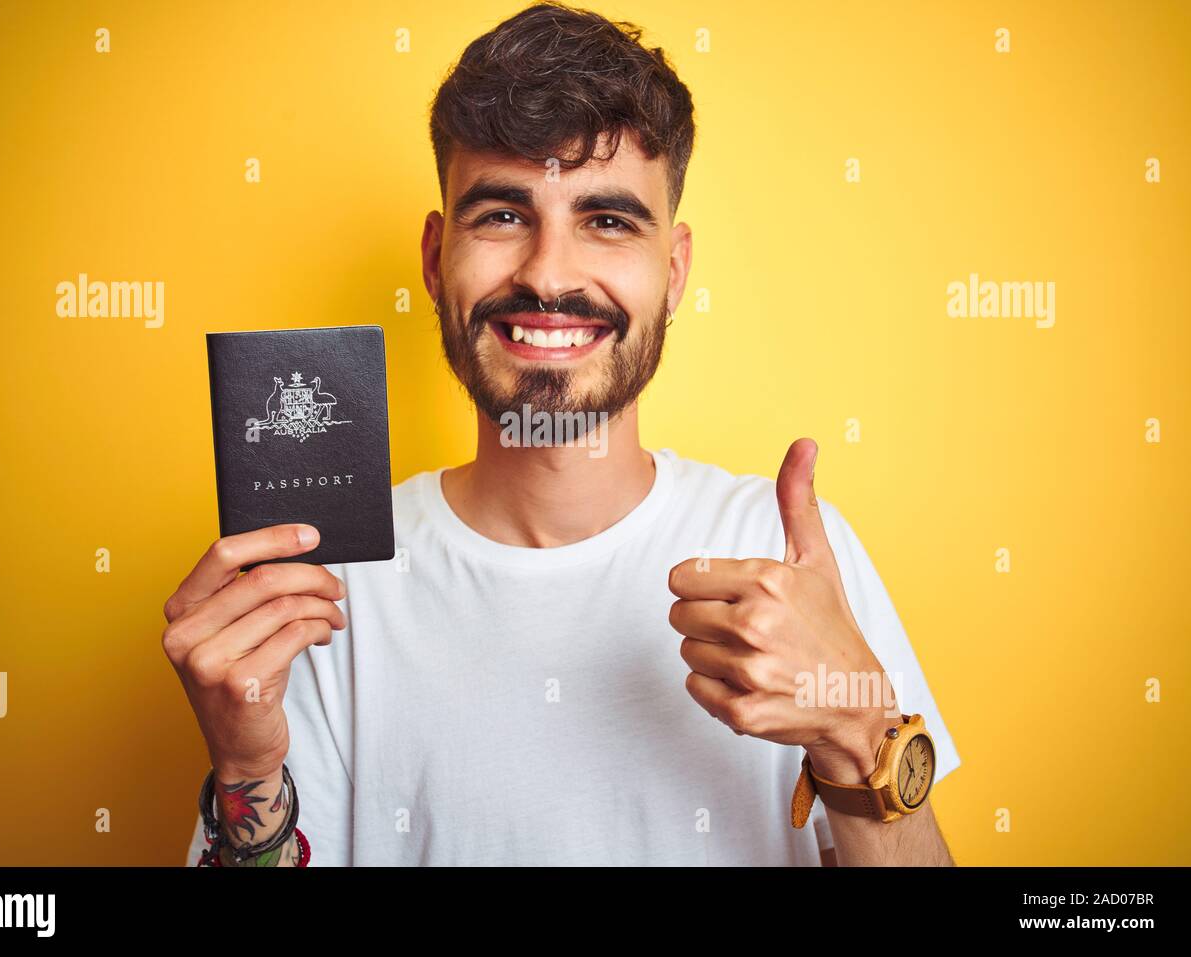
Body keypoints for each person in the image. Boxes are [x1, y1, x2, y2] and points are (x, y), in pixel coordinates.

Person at [165, 1, 960, 866]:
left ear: (676, 268)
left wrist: (860, 730)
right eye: (502, 216)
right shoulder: (322, 589)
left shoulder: (787, 558)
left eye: (608, 220)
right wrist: (246, 764)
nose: (548, 273)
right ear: (435, 261)